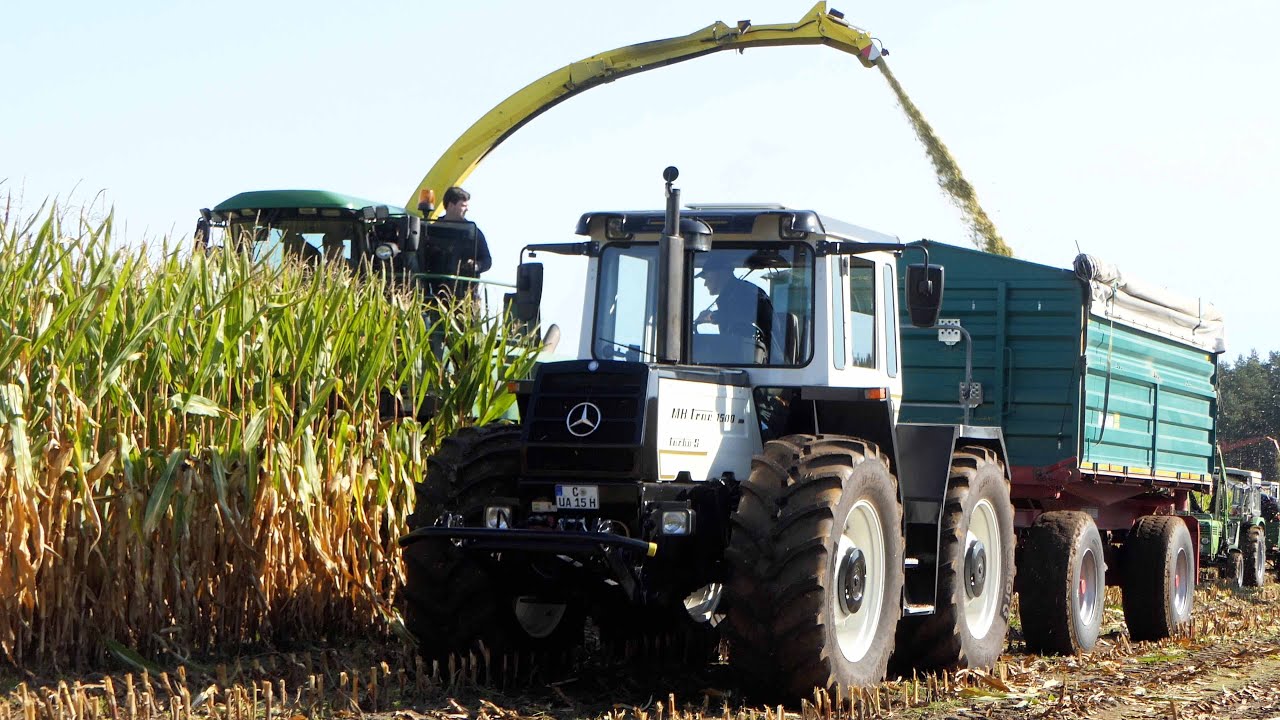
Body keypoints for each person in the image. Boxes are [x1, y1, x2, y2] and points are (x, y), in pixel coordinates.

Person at [694, 255, 773, 357]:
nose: (705, 283)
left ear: (722, 273)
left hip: (764, 360)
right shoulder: (732, 295)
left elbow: (745, 322)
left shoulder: (745, 292)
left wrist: (713, 316)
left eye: (707, 277)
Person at [425, 186, 492, 297]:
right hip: (434, 296)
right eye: (463, 205)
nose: (467, 209)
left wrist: (476, 266)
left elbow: (487, 260)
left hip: (466, 297)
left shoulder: (473, 232)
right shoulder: (431, 230)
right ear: (451, 205)